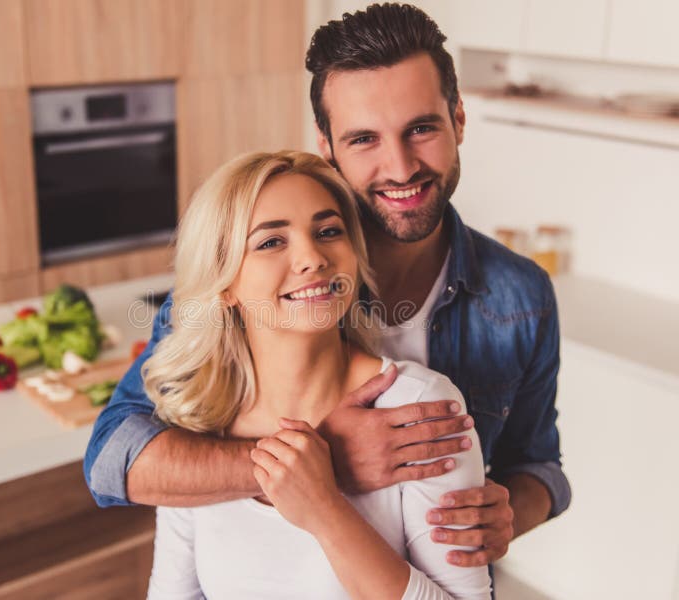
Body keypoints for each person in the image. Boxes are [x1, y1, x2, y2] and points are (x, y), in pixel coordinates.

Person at [85, 2, 570, 571]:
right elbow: (114, 459)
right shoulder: (261, 279)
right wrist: (321, 462)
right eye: (364, 138)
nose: (400, 166)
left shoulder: (520, 298)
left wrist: (516, 508)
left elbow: (541, 465)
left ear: (458, 119)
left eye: (421, 128)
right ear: (327, 146)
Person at [145, 150, 491, 599]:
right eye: (271, 242)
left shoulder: (416, 406)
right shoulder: (198, 414)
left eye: (329, 232)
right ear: (224, 282)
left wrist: (326, 511)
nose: (312, 257)